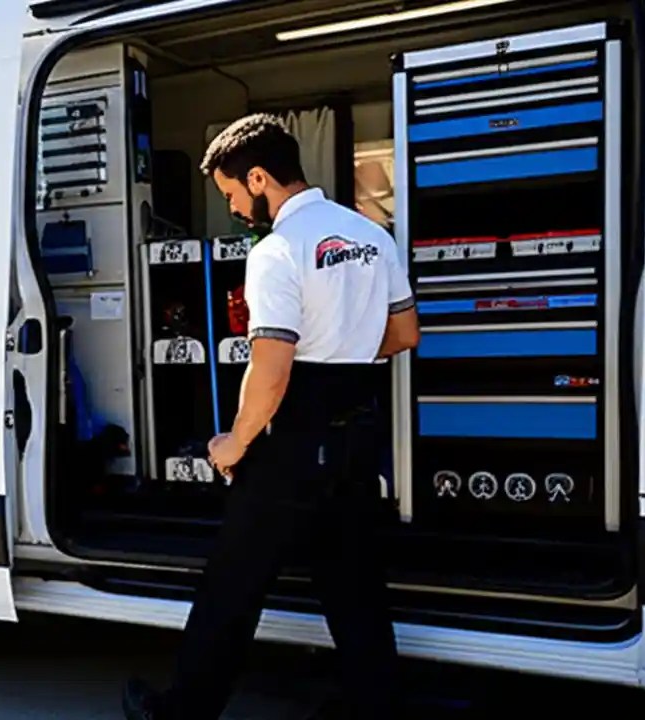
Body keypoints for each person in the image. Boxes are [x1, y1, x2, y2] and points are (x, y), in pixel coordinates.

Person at [122, 114, 421, 720]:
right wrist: (349, 346)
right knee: (356, 588)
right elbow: (405, 333)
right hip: (357, 436)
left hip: (292, 444)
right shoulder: (371, 234)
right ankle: (378, 706)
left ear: (258, 177)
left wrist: (235, 440)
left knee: (232, 586)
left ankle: (180, 713)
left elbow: (272, 367)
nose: (233, 208)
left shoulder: (277, 251)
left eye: (232, 193)